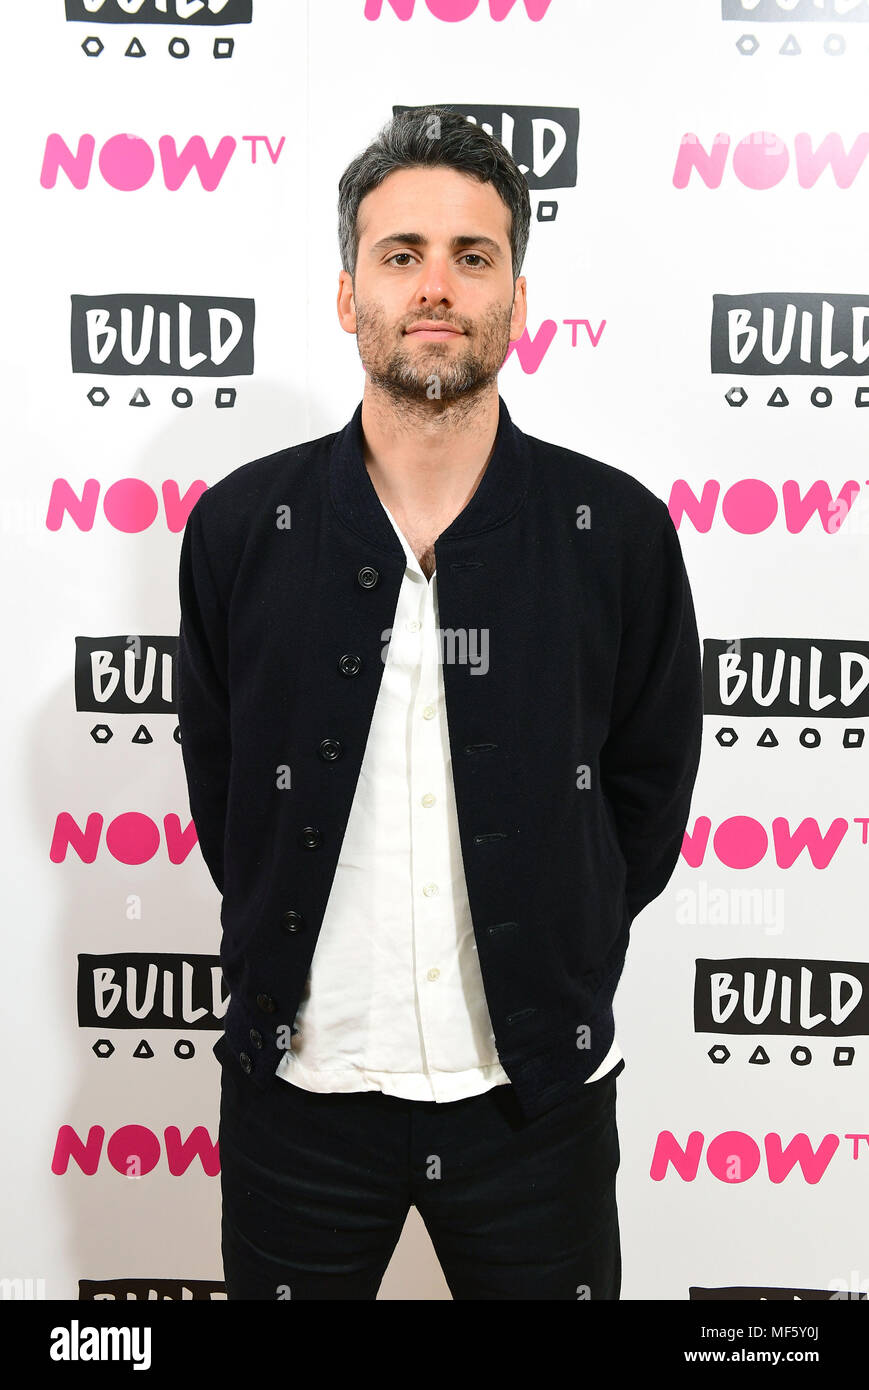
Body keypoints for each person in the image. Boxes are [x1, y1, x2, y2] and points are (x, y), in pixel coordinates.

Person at [176, 105, 703, 1300]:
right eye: (400, 253)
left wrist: (563, 942)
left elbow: (644, 794)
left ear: (517, 301)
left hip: (533, 1099)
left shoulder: (611, 533)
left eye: (473, 257)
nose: (435, 287)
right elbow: (226, 789)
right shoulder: (243, 527)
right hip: (300, 1092)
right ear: (347, 291)